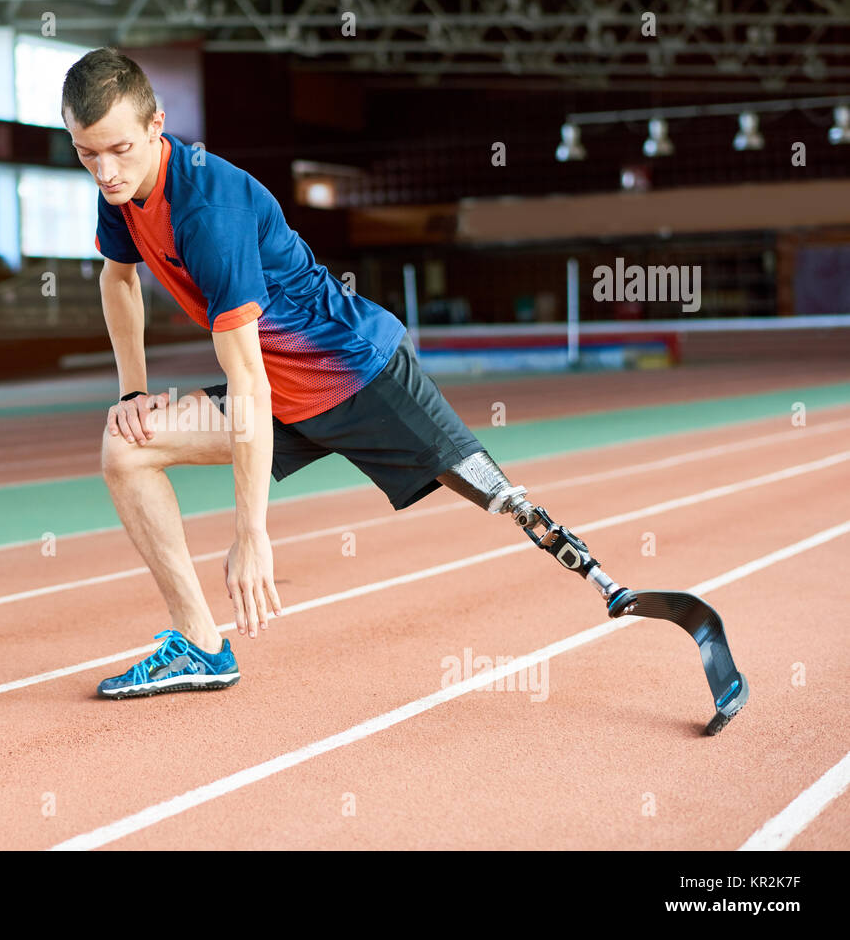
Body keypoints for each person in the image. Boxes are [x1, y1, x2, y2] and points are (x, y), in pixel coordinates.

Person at [63, 48, 627, 699]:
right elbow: (119, 276)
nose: (104, 171)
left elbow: (246, 383)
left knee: (498, 495)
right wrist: (133, 389)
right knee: (125, 447)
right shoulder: (122, 186)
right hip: (279, 396)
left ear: (158, 124)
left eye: (118, 149)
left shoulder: (207, 212)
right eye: (86, 153)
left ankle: (608, 583)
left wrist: (252, 535)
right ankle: (199, 645)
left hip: (360, 373)